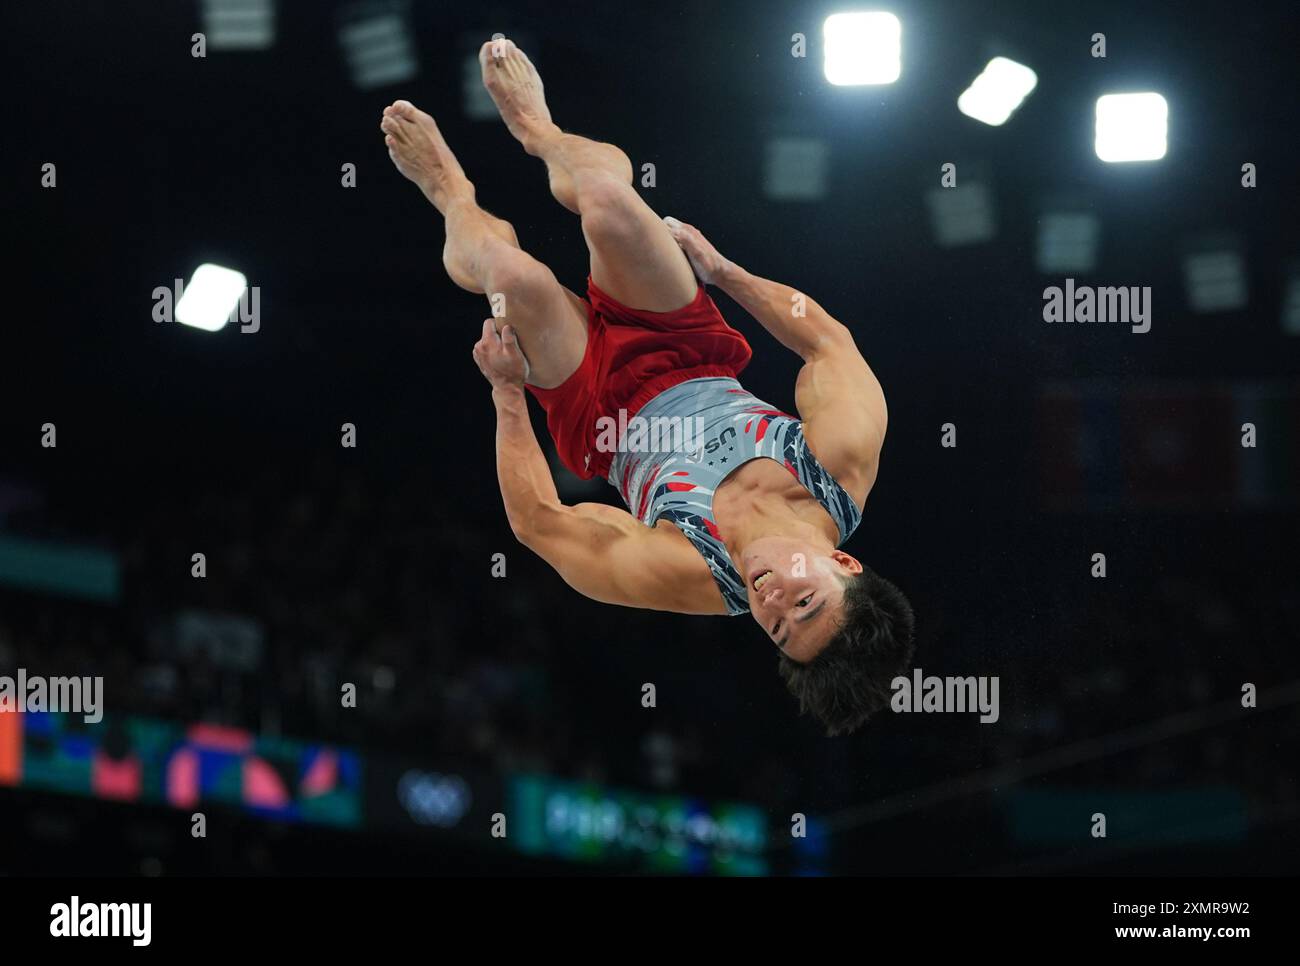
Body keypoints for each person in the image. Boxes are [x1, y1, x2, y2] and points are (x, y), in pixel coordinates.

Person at [380, 37, 914, 734]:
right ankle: (540, 132)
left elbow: (541, 525)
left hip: (592, 403)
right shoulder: (839, 463)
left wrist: (508, 395)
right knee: (607, 199)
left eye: (777, 629)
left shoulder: (693, 573)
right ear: (843, 561)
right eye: (804, 601)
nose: (773, 602)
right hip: (685, 343)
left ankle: (451, 195)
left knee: (512, 278)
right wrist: (723, 273)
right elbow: (827, 341)